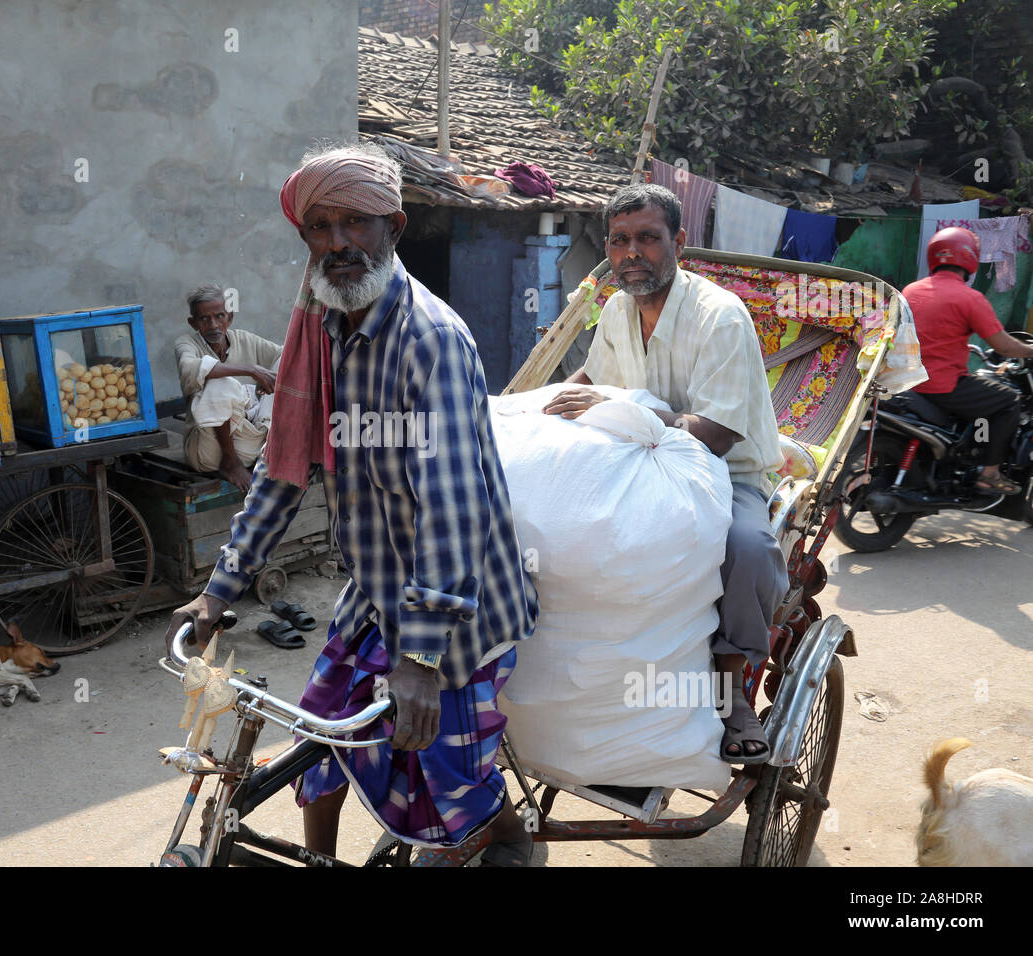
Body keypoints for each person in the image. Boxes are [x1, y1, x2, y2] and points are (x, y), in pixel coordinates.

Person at [168, 142, 539, 864]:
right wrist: (218, 591)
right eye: (319, 227)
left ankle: (510, 840)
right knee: (317, 744)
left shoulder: (430, 342)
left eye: (354, 224)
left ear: (393, 228)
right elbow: (281, 474)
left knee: (449, 793)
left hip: (457, 610)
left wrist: (422, 662)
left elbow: (452, 512)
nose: (335, 243)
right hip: (375, 594)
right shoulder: (318, 332)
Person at [543, 183, 786, 765]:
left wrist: (624, 412)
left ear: (678, 241)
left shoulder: (719, 316)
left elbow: (718, 435)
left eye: (648, 239)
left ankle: (730, 692)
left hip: (728, 474)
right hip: (640, 465)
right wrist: (528, 408)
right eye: (621, 241)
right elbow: (591, 383)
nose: (632, 254)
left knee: (748, 549)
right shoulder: (617, 312)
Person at [906, 226, 1033, 495]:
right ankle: (989, 474)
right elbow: (1002, 345)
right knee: (1009, 400)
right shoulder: (970, 298)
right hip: (941, 385)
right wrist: (1030, 350)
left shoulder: (911, 290)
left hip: (905, 381)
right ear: (970, 259)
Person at [173, 284, 283, 491]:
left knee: (288, 362)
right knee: (219, 381)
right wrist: (251, 369)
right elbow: (190, 368)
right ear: (193, 323)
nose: (213, 325)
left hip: (253, 442)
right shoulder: (186, 344)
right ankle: (230, 462)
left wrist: (263, 379)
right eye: (204, 319)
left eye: (220, 316)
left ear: (229, 318)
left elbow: (283, 357)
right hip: (211, 451)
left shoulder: (244, 339)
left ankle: (276, 447)